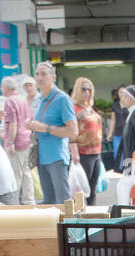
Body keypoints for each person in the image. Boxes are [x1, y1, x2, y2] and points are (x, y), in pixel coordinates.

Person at [26, 63, 77, 203]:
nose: (39, 77)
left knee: (62, 200)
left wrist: (46, 128)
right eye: (37, 74)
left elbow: (73, 132)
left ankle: (67, 225)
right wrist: (31, 125)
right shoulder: (39, 100)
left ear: (53, 77)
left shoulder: (62, 99)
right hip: (41, 157)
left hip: (57, 157)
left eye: (43, 74)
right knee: (48, 200)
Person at [1, 75, 34, 206]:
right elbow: (29, 118)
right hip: (26, 140)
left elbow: (13, 123)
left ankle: (15, 203)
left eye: (2, 87)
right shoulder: (22, 99)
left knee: (16, 174)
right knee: (26, 172)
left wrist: (10, 142)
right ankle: (28, 200)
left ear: (6, 88)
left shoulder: (9, 102)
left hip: (17, 142)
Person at [71, 75, 103, 199]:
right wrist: (74, 153)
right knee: (82, 191)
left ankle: (93, 216)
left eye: (89, 89)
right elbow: (71, 132)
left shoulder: (89, 108)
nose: (86, 92)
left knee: (92, 189)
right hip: (83, 153)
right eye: (83, 89)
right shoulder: (74, 109)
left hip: (96, 152)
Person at [111, 85, 128, 159]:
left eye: (124, 92)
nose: (122, 94)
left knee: (127, 153)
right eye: (120, 92)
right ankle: (118, 170)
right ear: (117, 93)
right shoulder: (115, 105)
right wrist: (110, 133)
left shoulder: (129, 104)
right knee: (117, 154)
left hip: (127, 133)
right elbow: (113, 120)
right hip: (117, 133)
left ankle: (127, 169)